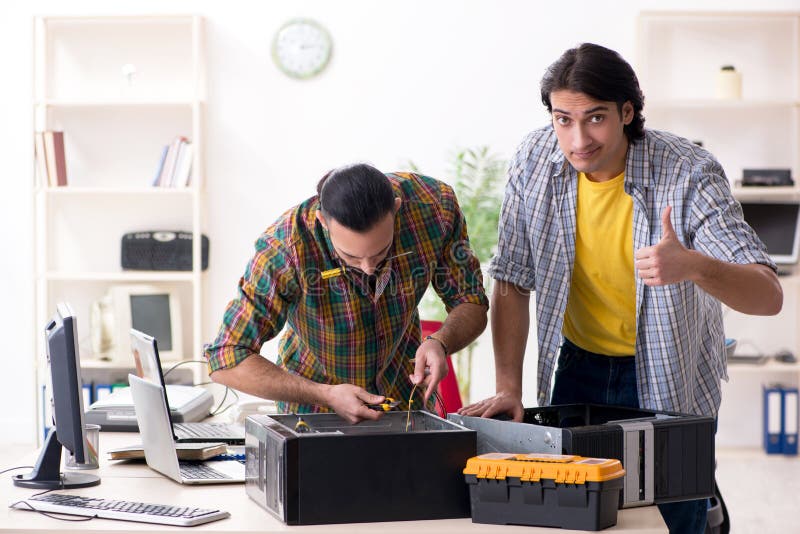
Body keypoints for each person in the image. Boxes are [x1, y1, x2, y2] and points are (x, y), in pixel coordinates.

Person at [459, 43, 782, 533]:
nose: (577, 138)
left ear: (628, 111)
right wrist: (508, 386)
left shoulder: (688, 171)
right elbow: (512, 278)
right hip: (578, 367)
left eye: (595, 118)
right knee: (574, 514)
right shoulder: (534, 160)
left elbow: (767, 294)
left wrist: (694, 266)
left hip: (671, 378)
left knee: (673, 519)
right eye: (563, 119)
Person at [205, 163, 488, 424]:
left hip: (402, 408)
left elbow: (471, 301)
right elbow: (227, 357)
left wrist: (440, 342)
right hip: (314, 416)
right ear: (323, 223)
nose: (367, 268)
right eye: (351, 257)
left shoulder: (435, 210)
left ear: (398, 209)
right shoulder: (285, 249)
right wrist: (326, 394)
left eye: (381, 252)